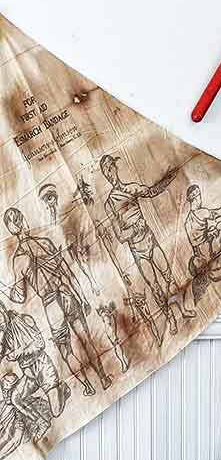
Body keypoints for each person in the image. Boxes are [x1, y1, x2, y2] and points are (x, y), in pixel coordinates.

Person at [4, 207, 110, 397]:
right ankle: (104, 378)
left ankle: (87, 386)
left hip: (51, 304)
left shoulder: (19, 259)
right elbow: (67, 273)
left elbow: (20, 296)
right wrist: (82, 298)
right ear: (23, 222)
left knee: (65, 349)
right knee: (86, 339)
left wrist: (8, 293)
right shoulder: (44, 243)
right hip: (67, 294)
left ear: (10, 229)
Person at [101, 154, 195, 335]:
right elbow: (120, 235)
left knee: (169, 276)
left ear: (115, 168)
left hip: (150, 241)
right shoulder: (110, 204)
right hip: (138, 249)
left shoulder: (131, 188)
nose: (111, 173)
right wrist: (134, 230)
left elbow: (152, 191)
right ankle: (171, 320)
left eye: (111, 168)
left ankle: (183, 310)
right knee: (155, 286)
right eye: (107, 172)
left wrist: (169, 177)